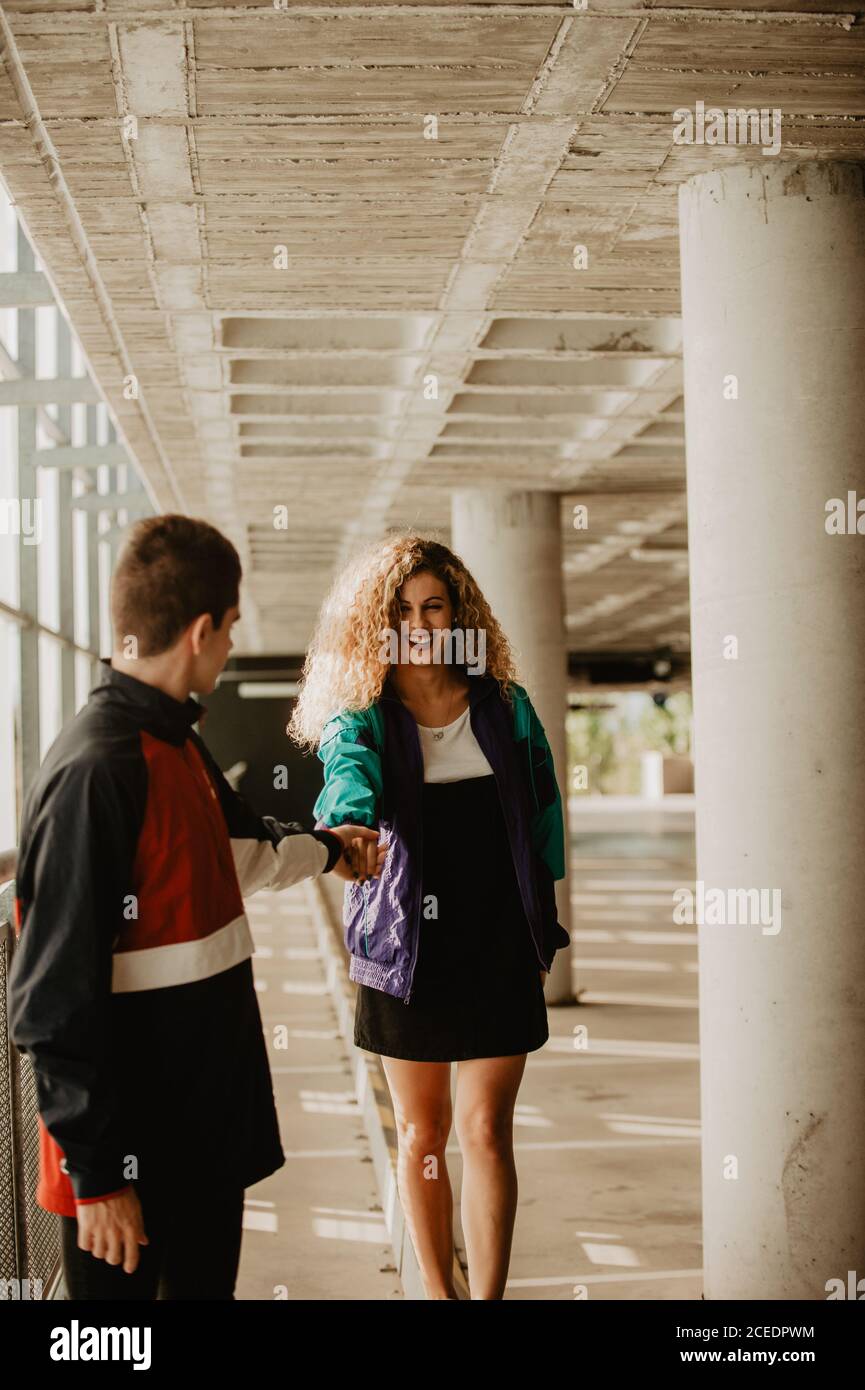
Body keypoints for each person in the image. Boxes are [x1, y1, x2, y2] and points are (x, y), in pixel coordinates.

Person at [8, 514, 384, 1300]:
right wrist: (100, 1177)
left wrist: (332, 850)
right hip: (129, 1165)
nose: (232, 647)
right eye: (232, 629)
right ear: (204, 629)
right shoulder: (99, 769)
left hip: (200, 1140)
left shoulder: (174, 745)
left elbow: (240, 851)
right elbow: (49, 1000)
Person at [288, 534, 570, 1299]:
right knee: (423, 1136)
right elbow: (344, 783)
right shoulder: (364, 718)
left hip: (497, 944)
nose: (419, 623)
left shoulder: (506, 709)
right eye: (402, 610)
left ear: (458, 613)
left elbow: (543, 816)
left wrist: (544, 920)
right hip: (403, 950)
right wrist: (349, 829)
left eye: (433, 606)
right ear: (379, 623)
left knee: (485, 1132)